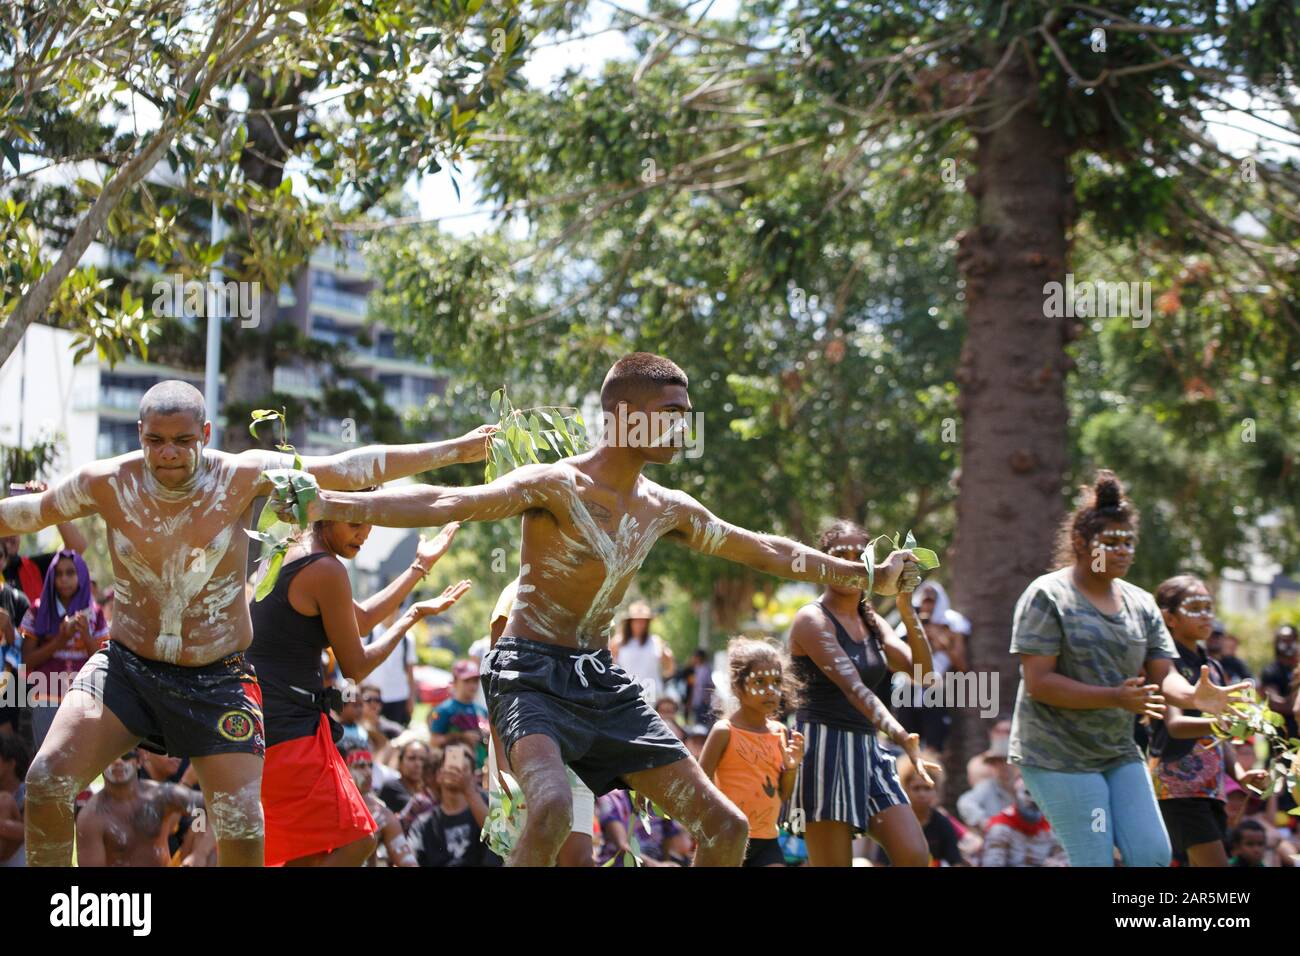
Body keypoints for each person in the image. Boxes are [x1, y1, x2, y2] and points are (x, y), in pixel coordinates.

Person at [281, 352, 923, 866]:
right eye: (673, 411)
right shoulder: (555, 486)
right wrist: (329, 502)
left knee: (724, 826)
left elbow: (767, 551)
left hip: (601, 681)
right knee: (554, 808)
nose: (684, 424)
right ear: (626, 416)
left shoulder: (666, 507)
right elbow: (444, 502)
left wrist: (862, 572)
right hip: (527, 673)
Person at [0, 379, 495, 866]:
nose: (168, 453)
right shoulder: (106, 482)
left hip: (218, 680)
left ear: (207, 434)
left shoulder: (242, 475)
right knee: (46, 780)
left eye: (182, 441)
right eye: (155, 440)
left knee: (242, 824)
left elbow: (348, 467)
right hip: (126, 668)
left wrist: (458, 449)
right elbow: (28, 513)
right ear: (139, 435)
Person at [1009, 470, 1247, 868]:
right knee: (1095, 859)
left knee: (1152, 854)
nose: (1122, 551)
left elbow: (1164, 675)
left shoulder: (1141, 603)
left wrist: (1195, 697)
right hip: (1055, 753)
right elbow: (1039, 682)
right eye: (1111, 542)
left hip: (1118, 751)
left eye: (1128, 542)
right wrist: (1114, 697)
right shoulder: (1048, 595)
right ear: (1081, 543)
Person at [248, 507, 468, 868]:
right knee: (361, 837)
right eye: (354, 524)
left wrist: (418, 568)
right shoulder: (325, 568)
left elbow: (361, 620)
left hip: (270, 724)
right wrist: (412, 617)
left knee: (308, 854)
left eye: (369, 523)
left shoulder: (290, 551)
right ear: (324, 516)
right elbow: (357, 665)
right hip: (288, 731)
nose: (363, 533)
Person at [786, 519, 939, 867]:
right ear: (825, 562)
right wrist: (902, 738)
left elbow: (924, 674)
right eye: (842, 554)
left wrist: (905, 604)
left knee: (914, 855)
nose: (852, 561)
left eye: (861, 553)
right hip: (822, 750)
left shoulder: (870, 619)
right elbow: (854, 689)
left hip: (867, 747)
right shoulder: (812, 619)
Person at [1149, 575, 1269, 867]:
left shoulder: (1212, 667)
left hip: (1210, 790)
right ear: (1170, 617)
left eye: (1209, 606)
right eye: (1195, 606)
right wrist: (1222, 722)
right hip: (1179, 789)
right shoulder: (1165, 663)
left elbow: (1218, 736)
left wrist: (1239, 773)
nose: (1206, 614)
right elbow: (1175, 726)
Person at [483, 577, 594, 867]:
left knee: (580, 859)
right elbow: (496, 687)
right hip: (523, 744)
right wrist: (502, 765)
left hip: (576, 742)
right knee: (532, 854)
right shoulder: (514, 596)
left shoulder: (591, 592)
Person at [699, 637, 804, 867]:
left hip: (767, 840)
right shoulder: (724, 732)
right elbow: (699, 786)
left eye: (776, 681)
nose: (770, 690)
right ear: (738, 686)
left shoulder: (780, 732)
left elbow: (783, 795)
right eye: (760, 681)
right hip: (727, 838)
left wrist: (792, 767)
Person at [18, 549, 108, 751]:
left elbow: (104, 661)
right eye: (58, 574)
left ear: (81, 576)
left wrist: (85, 636)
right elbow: (26, 661)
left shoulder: (95, 614)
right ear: (51, 577)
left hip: (85, 699)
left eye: (70, 573)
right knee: (49, 764)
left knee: (82, 764)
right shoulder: (37, 610)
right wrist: (60, 640)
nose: (64, 579)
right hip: (46, 697)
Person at [75, 749, 205, 866]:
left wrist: (200, 854)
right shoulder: (91, 817)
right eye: (111, 757)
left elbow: (217, 807)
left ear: (139, 760)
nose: (118, 761)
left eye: (126, 756)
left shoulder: (160, 795)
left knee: (200, 828)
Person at [409, 741, 498, 867]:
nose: (457, 773)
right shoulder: (424, 823)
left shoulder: (488, 806)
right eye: (451, 768)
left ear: (473, 777)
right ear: (438, 775)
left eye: (464, 770)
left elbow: (499, 839)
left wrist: (468, 790)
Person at [1, 479, 88, 604]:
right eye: (7, 526)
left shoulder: (33, 567)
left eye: (17, 526)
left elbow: (77, 547)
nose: (12, 535)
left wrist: (50, 501)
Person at [340, 741, 417, 867]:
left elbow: (408, 862)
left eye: (370, 766)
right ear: (342, 769)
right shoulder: (327, 808)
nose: (368, 772)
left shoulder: (380, 814)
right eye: (360, 766)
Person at [899, 751, 967, 866]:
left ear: (936, 790)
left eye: (927, 788)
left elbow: (955, 861)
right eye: (916, 788)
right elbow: (881, 862)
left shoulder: (942, 823)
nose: (922, 794)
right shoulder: (897, 823)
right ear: (905, 790)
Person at [980, 778, 1065, 867]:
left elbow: (1064, 857)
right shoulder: (1000, 828)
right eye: (1028, 793)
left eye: (1038, 794)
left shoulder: (1050, 827)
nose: (1033, 800)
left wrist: (1057, 863)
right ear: (1015, 795)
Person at [608, 600, 674, 704]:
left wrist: (667, 657)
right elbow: (609, 669)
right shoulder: (618, 643)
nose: (640, 624)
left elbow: (669, 670)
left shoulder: (656, 641)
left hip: (653, 696)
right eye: (637, 620)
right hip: (628, 697)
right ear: (630, 622)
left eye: (643, 621)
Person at [429, 659, 490, 765]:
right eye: (467, 681)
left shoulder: (482, 710)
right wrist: (461, 737)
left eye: (475, 681)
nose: (472, 685)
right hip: (454, 767)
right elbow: (434, 742)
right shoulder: (444, 709)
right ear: (455, 681)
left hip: (480, 768)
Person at [365, 609, 418, 728]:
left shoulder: (407, 638)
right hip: (373, 698)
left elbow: (410, 671)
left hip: (398, 697)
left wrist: (412, 699)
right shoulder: (368, 634)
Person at [957, 737, 1017, 831]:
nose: (1003, 766)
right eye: (997, 762)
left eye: (1006, 761)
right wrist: (985, 822)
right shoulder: (988, 786)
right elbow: (965, 802)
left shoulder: (1025, 787)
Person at [0, 581, 30, 738]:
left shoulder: (17, 599)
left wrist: (9, 629)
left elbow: (26, 655)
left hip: (9, 690)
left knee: (7, 741)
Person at [1260, 624, 1299, 740]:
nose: (1289, 644)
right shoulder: (1270, 671)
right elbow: (1276, 704)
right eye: (1284, 640)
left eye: (1292, 639)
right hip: (1281, 738)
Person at [380, 739, 432, 815]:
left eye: (423, 759)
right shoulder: (391, 788)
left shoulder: (432, 791)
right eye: (412, 758)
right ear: (400, 762)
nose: (418, 764)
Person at [0, 734, 28, 867]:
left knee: (5, 801)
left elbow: (30, 832)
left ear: (11, 763)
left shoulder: (28, 792)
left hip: (19, 859)